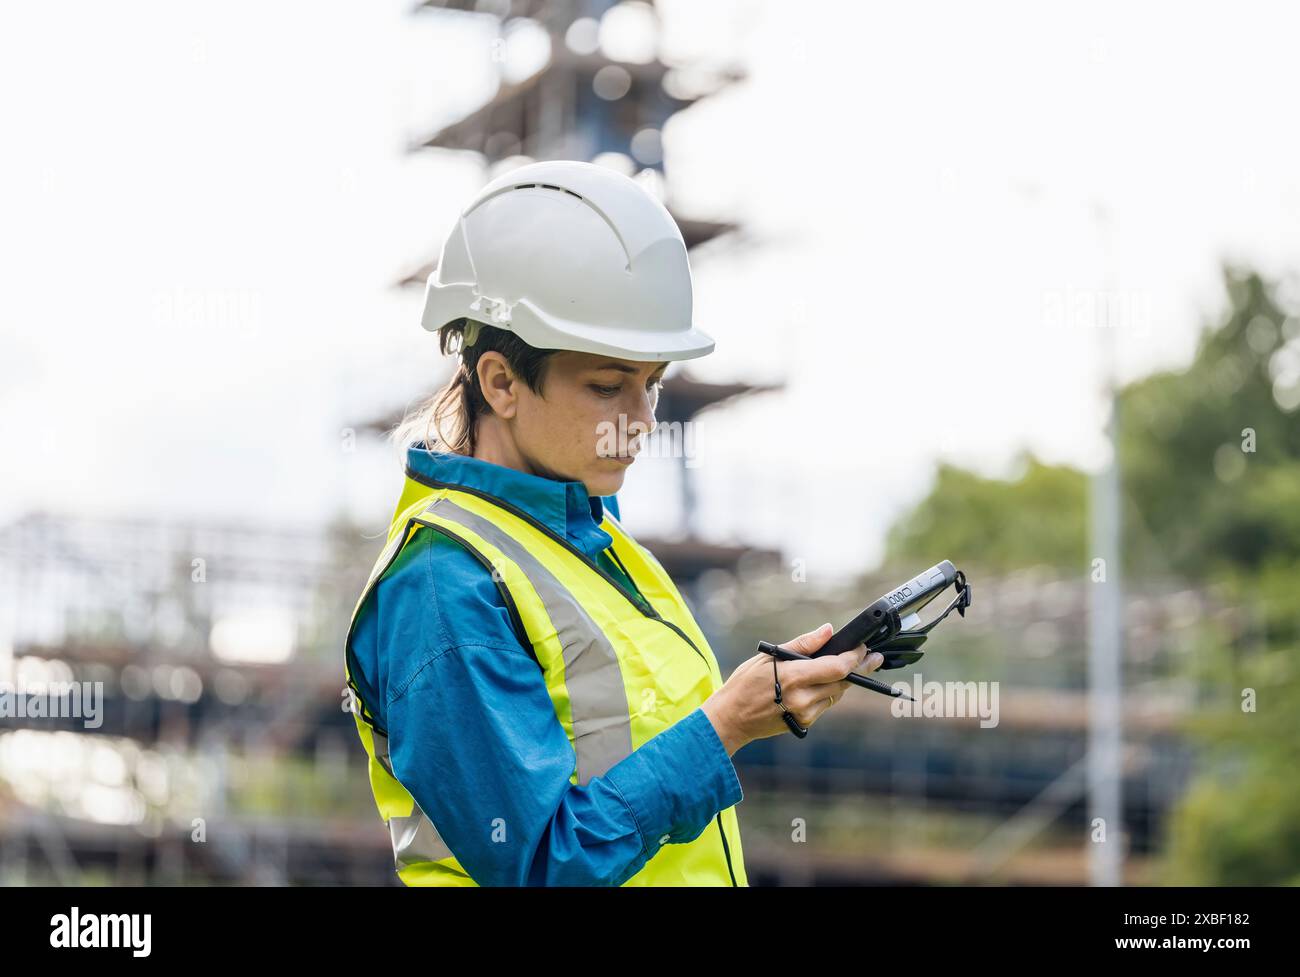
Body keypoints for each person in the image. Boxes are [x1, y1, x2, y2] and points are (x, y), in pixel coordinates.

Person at [343, 159, 884, 887]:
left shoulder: (591, 540)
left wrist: (764, 699)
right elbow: (540, 864)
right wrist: (724, 726)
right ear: (500, 381)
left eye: (652, 384)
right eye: (607, 386)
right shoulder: (443, 584)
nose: (642, 421)